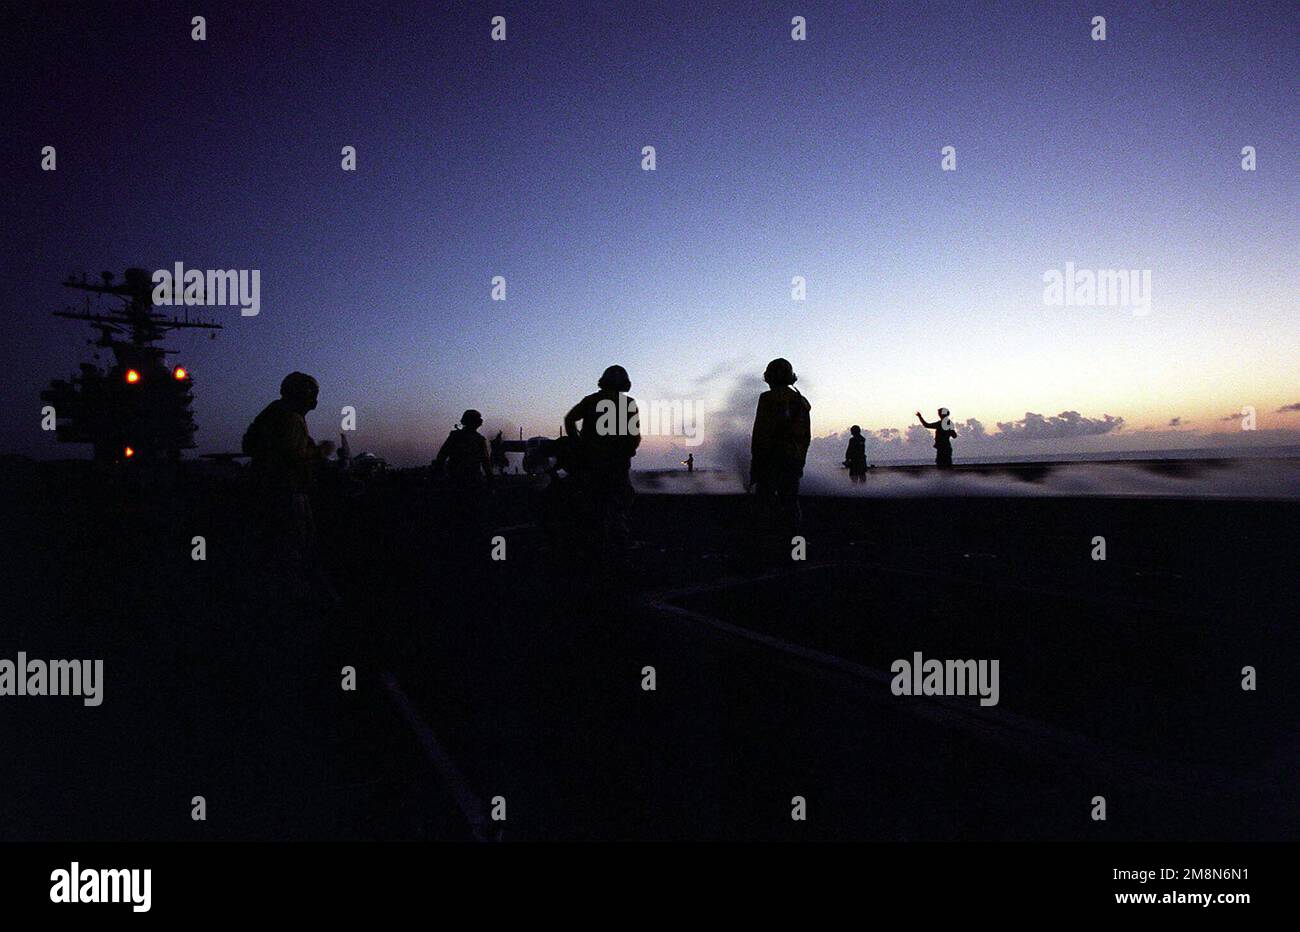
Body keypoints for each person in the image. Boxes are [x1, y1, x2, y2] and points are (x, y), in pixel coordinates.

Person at [241, 371, 336, 593]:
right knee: (294, 548)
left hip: (265, 491)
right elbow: (292, 456)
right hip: (288, 493)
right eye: (312, 393)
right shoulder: (291, 418)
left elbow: (252, 445)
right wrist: (321, 452)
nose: (314, 399)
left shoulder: (272, 413)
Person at [563, 365, 641, 561]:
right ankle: (619, 549)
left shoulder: (590, 401)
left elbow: (570, 419)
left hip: (591, 463)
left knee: (592, 504)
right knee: (619, 504)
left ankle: (592, 547)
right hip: (617, 464)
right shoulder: (628, 403)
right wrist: (628, 452)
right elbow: (634, 436)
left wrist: (577, 442)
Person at [750, 358, 811, 530]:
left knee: (764, 501)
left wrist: (755, 465)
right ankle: (795, 546)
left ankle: (767, 546)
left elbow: (760, 433)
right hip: (794, 458)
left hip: (770, 458)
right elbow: (806, 436)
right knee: (790, 502)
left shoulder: (767, 398)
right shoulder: (801, 401)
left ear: (768, 378)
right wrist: (800, 460)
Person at [433, 409, 493, 490]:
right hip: (471, 482)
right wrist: (491, 481)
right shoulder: (479, 440)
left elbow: (442, 455)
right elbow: (485, 462)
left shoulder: (455, 436)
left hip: (456, 481)